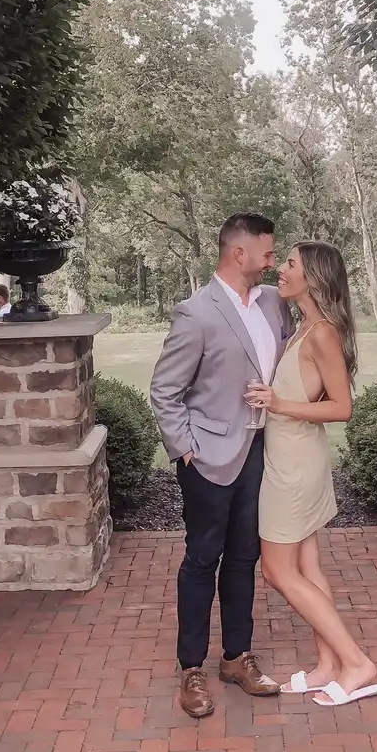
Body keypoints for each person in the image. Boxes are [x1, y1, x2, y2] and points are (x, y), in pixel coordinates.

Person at [150, 213, 292, 719]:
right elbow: (165, 391)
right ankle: (192, 668)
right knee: (201, 560)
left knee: (243, 558)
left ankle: (237, 658)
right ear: (240, 253)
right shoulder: (197, 312)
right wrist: (186, 450)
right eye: (268, 253)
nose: (274, 262)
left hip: (262, 451)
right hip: (207, 458)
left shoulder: (276, 304)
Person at [246, 241, 377, 709]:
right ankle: (328, 666)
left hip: (295, 468)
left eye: (289, 264)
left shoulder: (322, 333)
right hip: (290, 458)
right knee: (306, 566)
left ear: (315, 278)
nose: (280, 271)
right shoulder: (304, 328)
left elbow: (342, 407)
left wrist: (279, 403)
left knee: (277, 570)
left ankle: (356, 662)